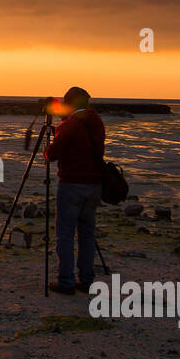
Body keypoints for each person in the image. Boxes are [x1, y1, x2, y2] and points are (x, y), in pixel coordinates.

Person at [45, 86, 104, 294]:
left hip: (72, 184)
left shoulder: (71, 125)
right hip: (95, 184)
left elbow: (51, 154)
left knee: (65, 233)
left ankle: (66, 281)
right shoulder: (96, 122)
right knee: (87, 234)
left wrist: (53, 136)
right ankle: (87, 279)